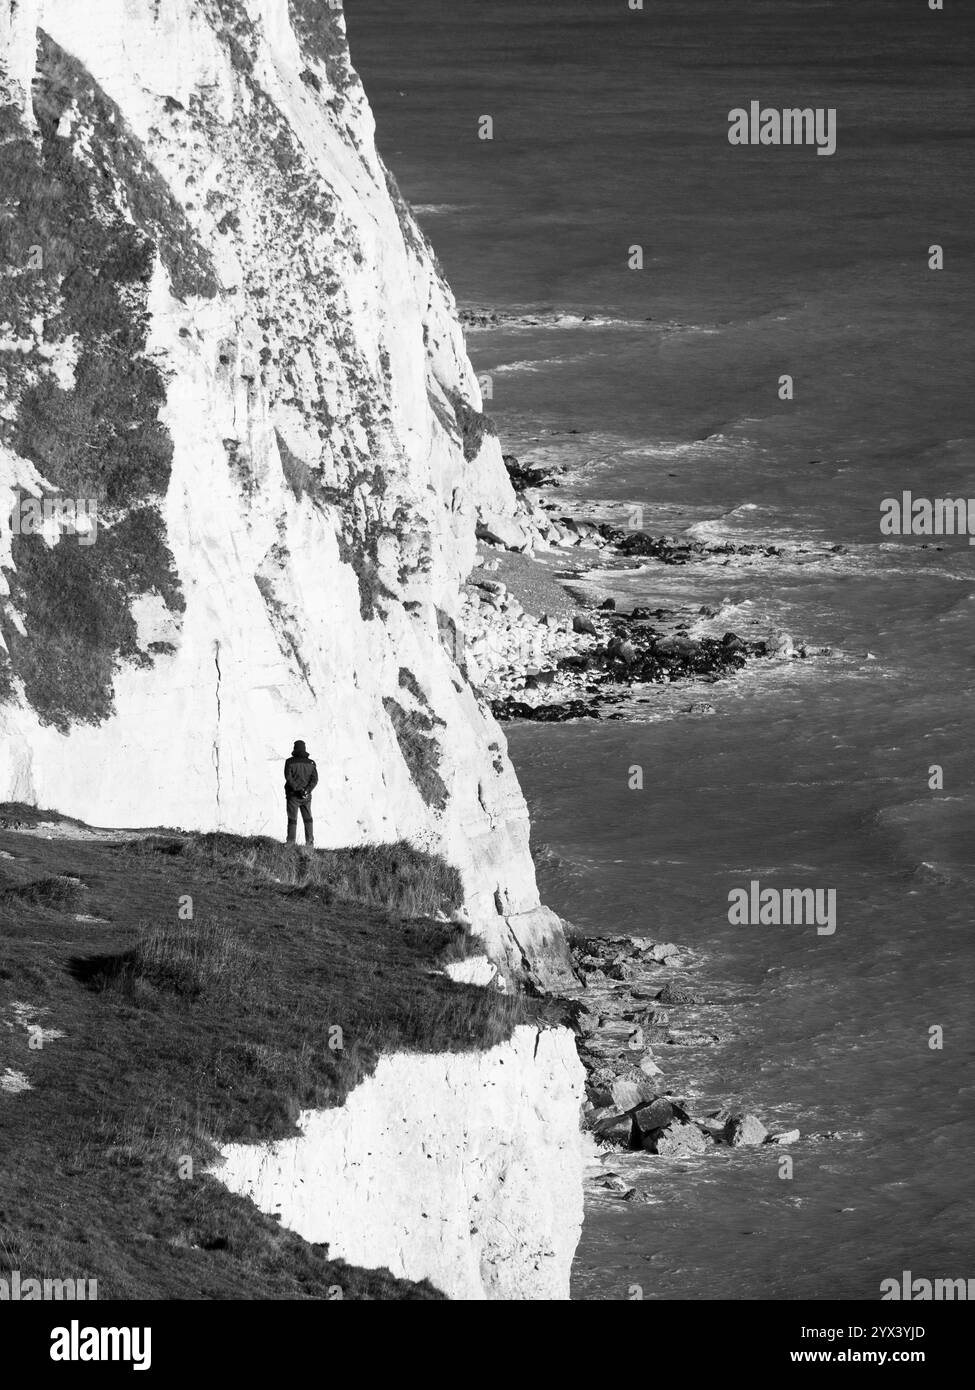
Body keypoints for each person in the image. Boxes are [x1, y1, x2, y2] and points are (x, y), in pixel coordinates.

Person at [284, 739, 318, 846]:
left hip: (293, 795)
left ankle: (290, 842)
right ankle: (310, 843)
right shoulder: (311, 763)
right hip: (306, 797)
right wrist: (306, 790)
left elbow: (288, 777)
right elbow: (314, 779)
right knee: (308, 819)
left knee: (292, 819)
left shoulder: (289, 762)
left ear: (294, 749)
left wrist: (298, 789)